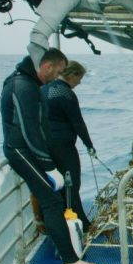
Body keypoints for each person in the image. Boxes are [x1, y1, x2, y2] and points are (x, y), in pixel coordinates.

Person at [0, 48, 105, 264]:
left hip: (32, 150)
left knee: (53, 200)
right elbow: (30, 130)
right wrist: (48, 166)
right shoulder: (24, 87)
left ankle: (68, 253)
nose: (58, 76)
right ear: (47, 66)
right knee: (52, 201)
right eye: (57, 72)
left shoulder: (31, 84)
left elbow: (40, 127)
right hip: (21, 151)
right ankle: (70, 261)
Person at [42, 60, 96, 232]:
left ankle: (58, 222)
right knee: (72, 182)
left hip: (44, 145)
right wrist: (89, 144)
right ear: (72, 75)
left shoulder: (43, 89)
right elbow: (77, 122)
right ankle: (82, 223)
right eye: (79, 79)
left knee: (55, 184)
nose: (79, 83)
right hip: (63, 145)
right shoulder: (66, 94)